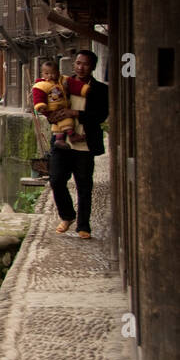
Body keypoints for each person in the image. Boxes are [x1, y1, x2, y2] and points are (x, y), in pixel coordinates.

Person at [45, 49, 108, 239]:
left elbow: (100, 115)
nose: (81, 67)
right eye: (78, 63)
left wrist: (76, 114)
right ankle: (67, 215)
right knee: (56, 180)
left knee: (84, 185)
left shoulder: (100, 90)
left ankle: (83, 226)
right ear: (74, 64)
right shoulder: (60, 84)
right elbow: (51, 109)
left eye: (86, 64)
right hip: (62, 141)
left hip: (85, 143)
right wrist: (53, 115)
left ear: (93, 67)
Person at [31, 60, 87, 150]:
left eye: (53, 73)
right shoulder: (41, 85)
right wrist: (40, 106)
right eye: (47, 73)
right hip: (54, 108)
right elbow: (38, 96)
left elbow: (75, 86)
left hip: (62, 107)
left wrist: (84, 89)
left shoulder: (63, 80)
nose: (50, 76)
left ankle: (59, 140)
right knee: (66, 121)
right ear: (42, 74)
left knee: (58, 126)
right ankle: (72, 135)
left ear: (58, 72)